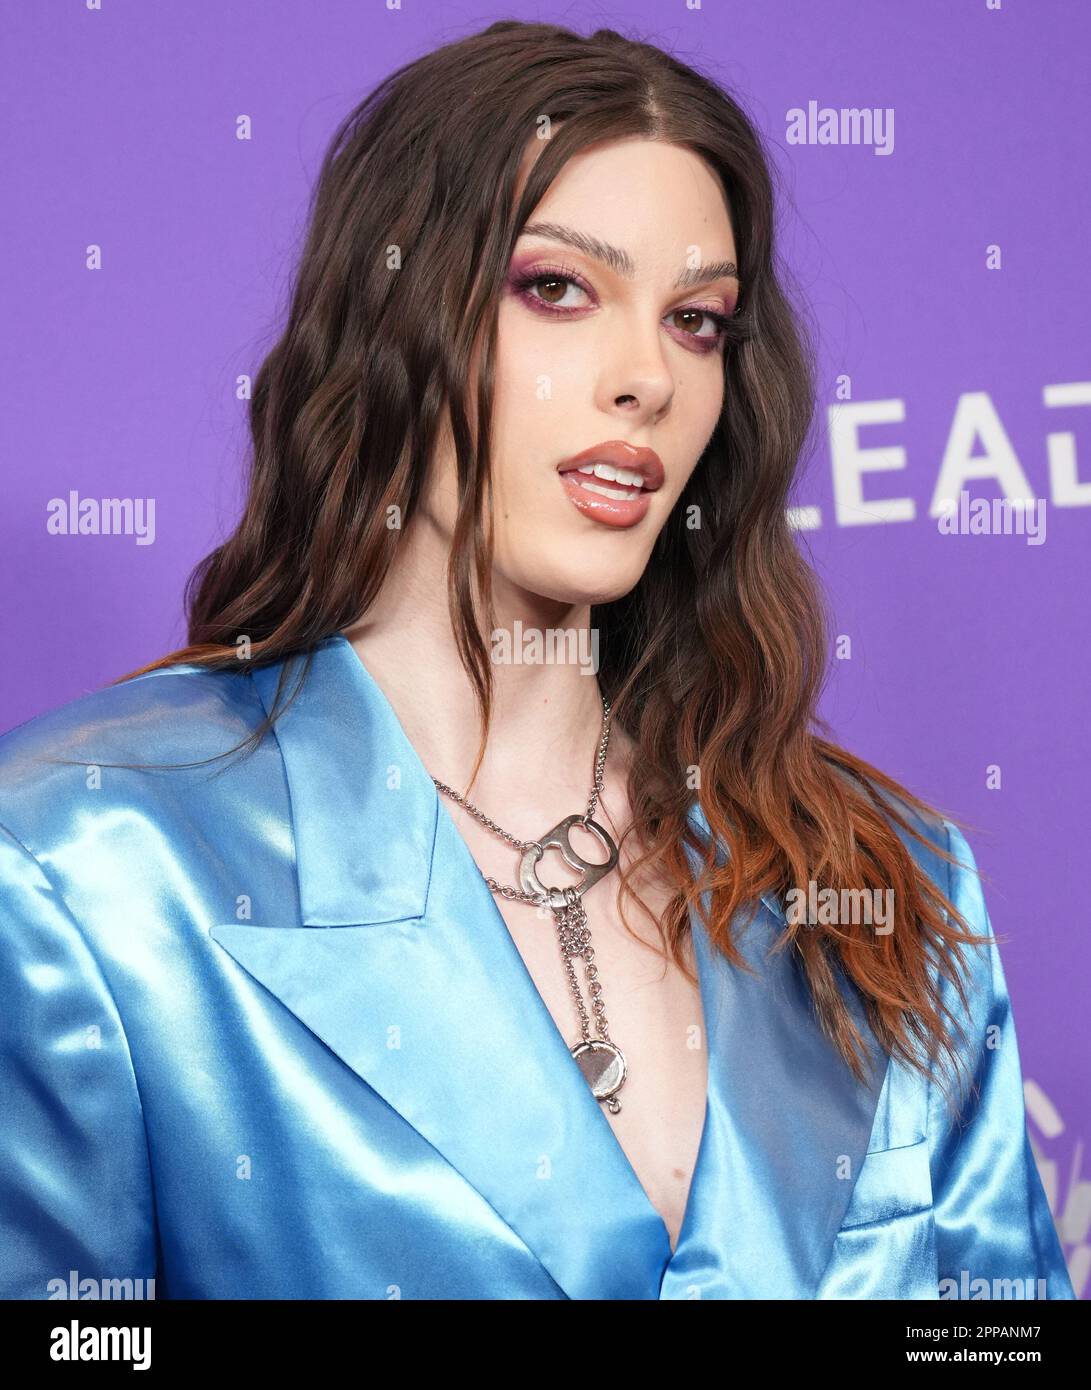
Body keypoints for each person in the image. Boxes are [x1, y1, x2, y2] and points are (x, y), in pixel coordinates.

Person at [0, 20, 1074, 1300]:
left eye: (695, 321)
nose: (644, 379)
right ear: (393, 313)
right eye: (556, 288)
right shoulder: (83, 862)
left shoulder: (886, 883)